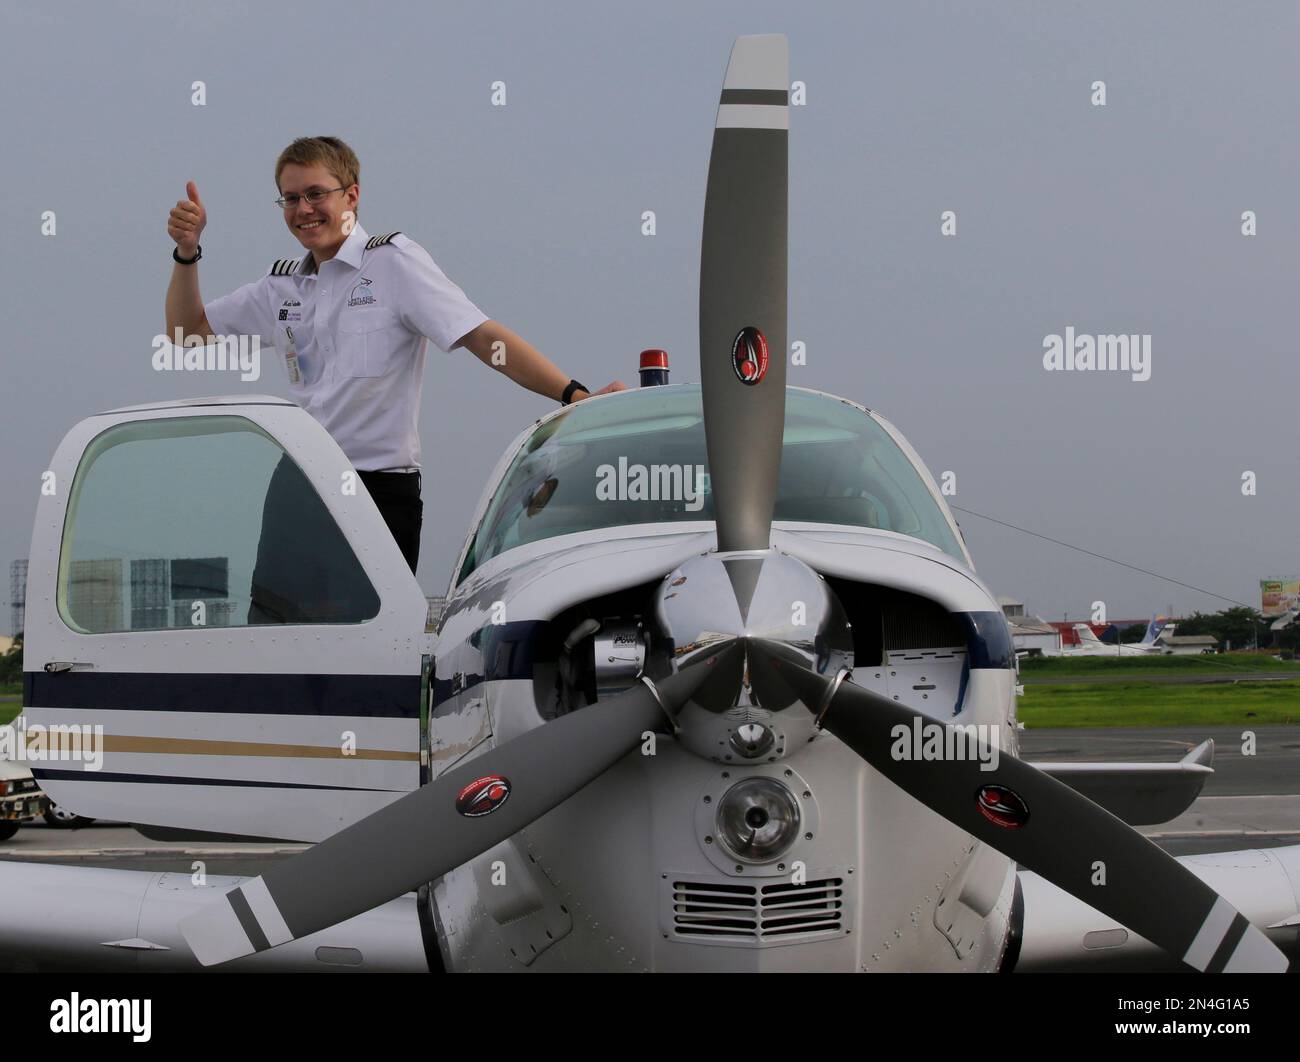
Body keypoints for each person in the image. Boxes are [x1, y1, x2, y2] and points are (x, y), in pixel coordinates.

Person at [164, 135, 624, 574]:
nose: (302, 209)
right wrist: (187, 254)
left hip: (377, 491)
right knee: (278, 640)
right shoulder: (280, 285)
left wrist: (572, 394)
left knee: (371, 649)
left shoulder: (393, 264)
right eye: (289, 198)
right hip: (297, 487)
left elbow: (482, 338)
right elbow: (188, 335)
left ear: (351, 196)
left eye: (315, 194)